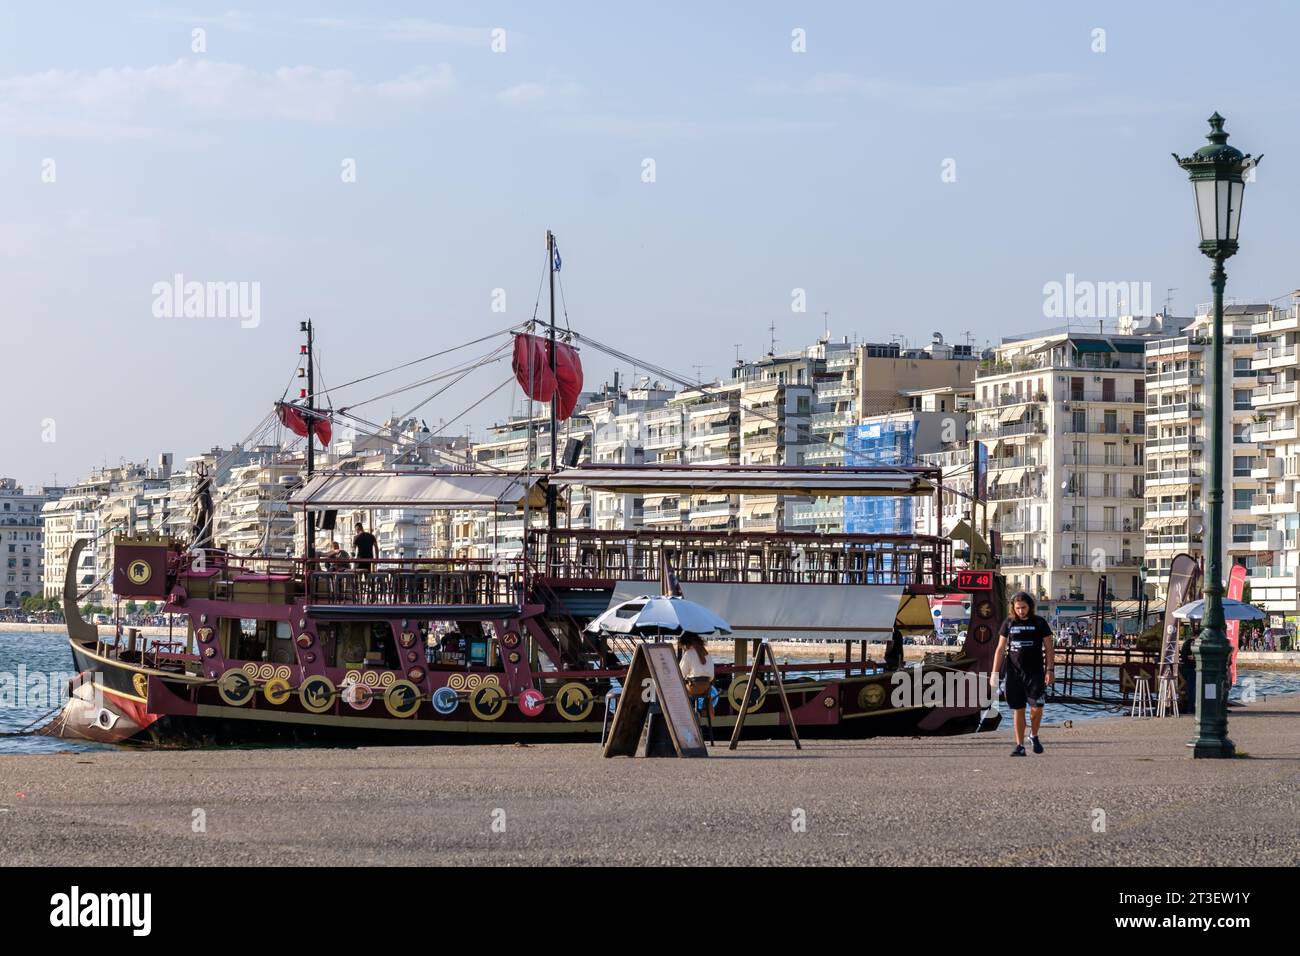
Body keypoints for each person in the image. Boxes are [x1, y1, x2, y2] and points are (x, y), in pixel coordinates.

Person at [990, 591, 1054, 756]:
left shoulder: (1039, 622)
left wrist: (1050, 670)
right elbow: (1000, 649)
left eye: (1024, 607)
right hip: (1014, 673)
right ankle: (1020, 746)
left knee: (1037, 708)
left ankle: (1033, 735)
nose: (1021, 611)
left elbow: (1049, 648)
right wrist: (994, 673)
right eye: (1017, 608)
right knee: (1018, 709)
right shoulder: (1009, 623)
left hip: (1035, 673)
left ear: (1030, 607)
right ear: (1013, 608)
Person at [677, 632, 716, 741]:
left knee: (678, 692)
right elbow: (711, 676)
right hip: (707, 689)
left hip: (693, 688)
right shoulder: (706, 653)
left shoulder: (689, 653)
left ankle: (689, 716)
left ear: (686, 644)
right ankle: (697, 712)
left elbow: (680, 673)